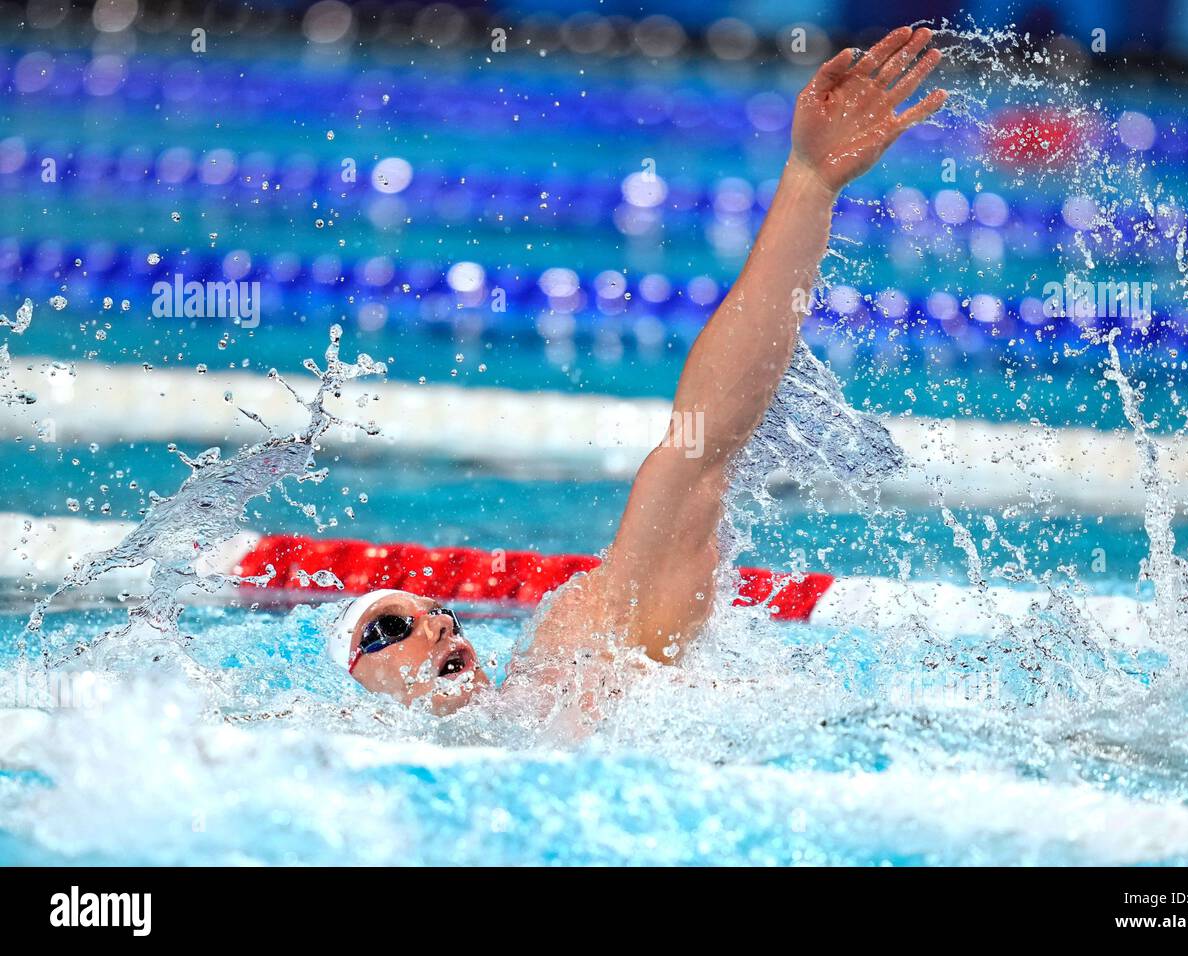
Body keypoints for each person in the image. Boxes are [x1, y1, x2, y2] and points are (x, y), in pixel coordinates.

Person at [324, 26, 947, 713]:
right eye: (390, 628)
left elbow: (696, 455)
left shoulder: (566, 677)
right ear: (352, 692)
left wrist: (809, 181)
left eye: (435, 608)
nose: (438, 621)